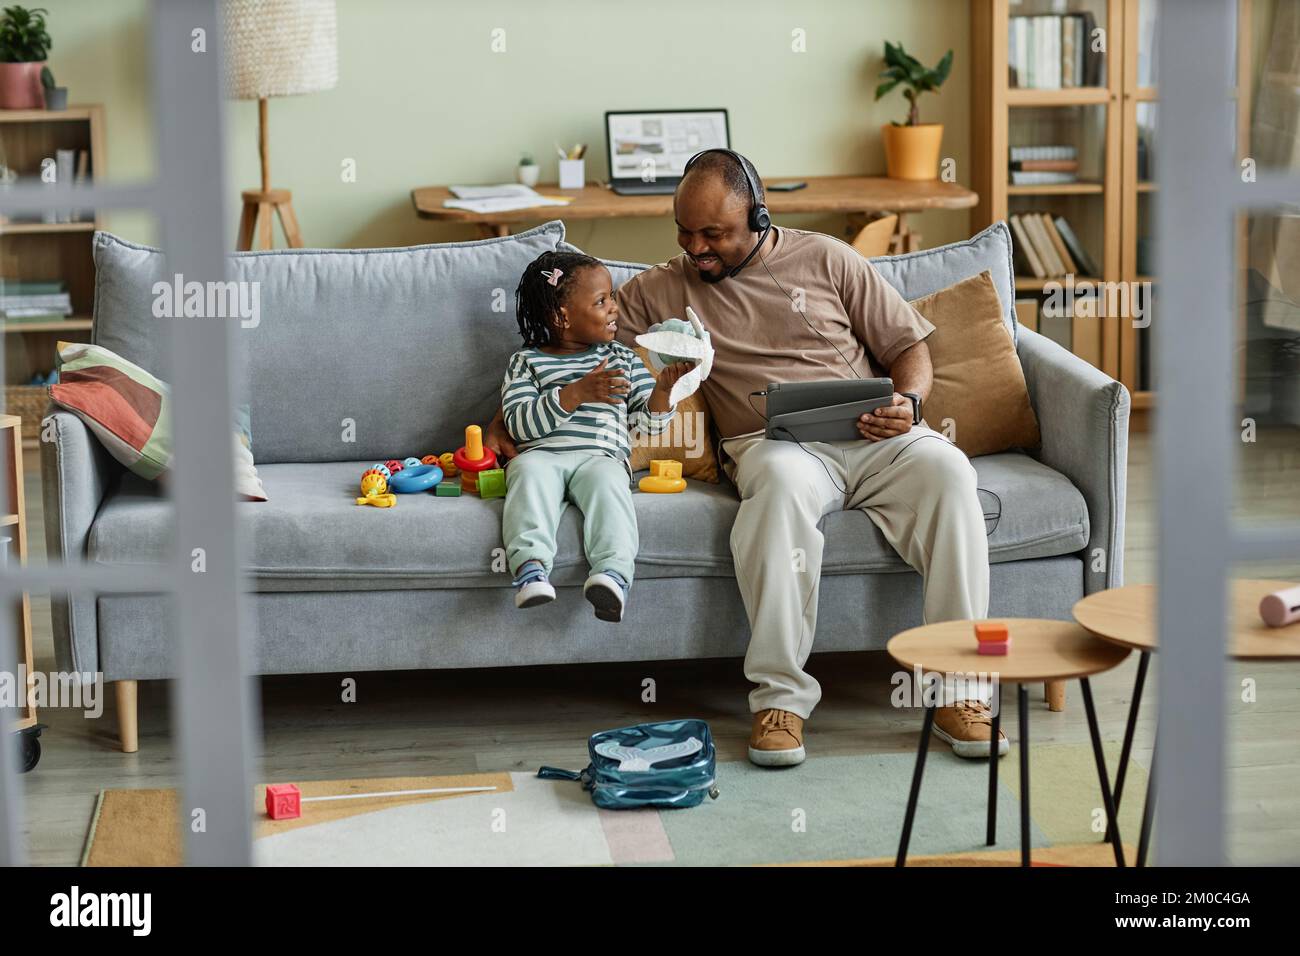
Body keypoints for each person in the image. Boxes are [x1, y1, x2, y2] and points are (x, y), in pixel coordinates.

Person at [488, 152, 1001, 766]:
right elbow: (571, 333)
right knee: (779, 490)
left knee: (950, 471)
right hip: (775, 446)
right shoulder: (661, 288)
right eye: (685, 232)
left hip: (875, 435)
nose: (696, 247)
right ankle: (780, 700)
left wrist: (910, 402)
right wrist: (501, 417)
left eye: (714, 234)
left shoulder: (828, 258)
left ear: (757, 216)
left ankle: (961, 693)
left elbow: (907, 345)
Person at [499, 250, 690, 622]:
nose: (614, 308)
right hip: (544, 455)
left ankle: (612, 575)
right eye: (602, 301)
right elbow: (519, 424)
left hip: (601, 457)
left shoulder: (622, 358)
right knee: (526, 473)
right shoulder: (526, 362)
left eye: (612, 297)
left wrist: (663, 393)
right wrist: (576, 393)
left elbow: (645, 426)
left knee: (609, 486)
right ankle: (531, 569)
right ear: (561, 317)